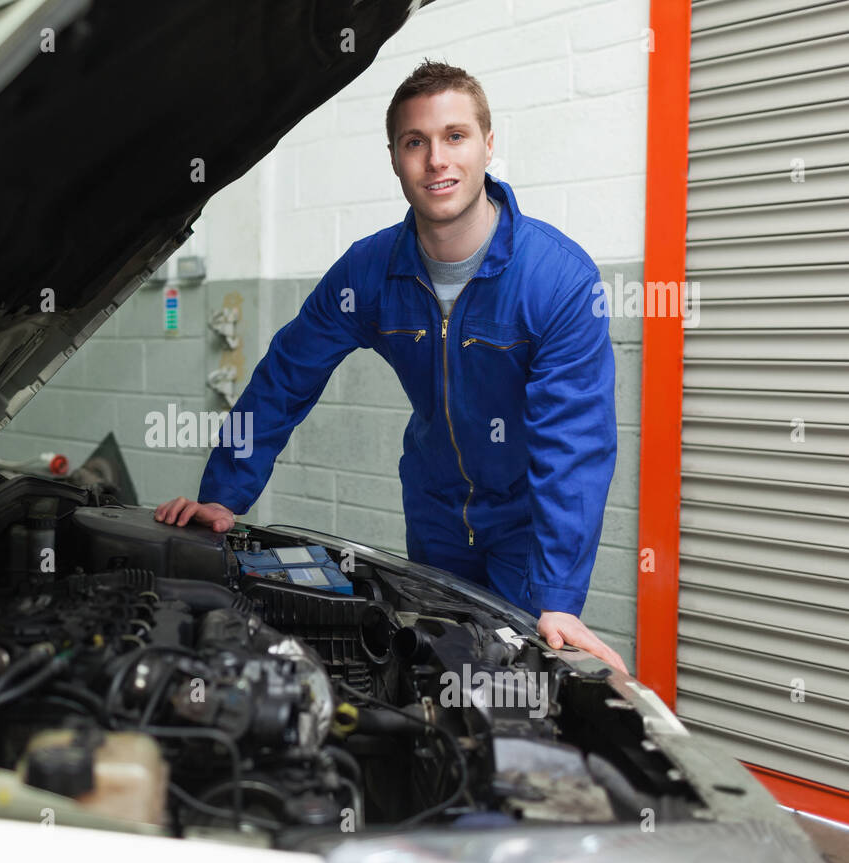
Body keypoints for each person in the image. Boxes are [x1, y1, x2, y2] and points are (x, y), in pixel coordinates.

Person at [154, 60, 625, 674]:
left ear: (488, 144)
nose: (437, 160)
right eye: (415, 142)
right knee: (432, 672)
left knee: (511, 689)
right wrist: (223, 495)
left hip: (525, 529)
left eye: (455, 136)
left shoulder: (557, 280)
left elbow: (575, 443)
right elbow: (287, 375)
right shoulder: (368, 273)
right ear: (395, 157)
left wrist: (560, 596)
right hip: (434, 517)